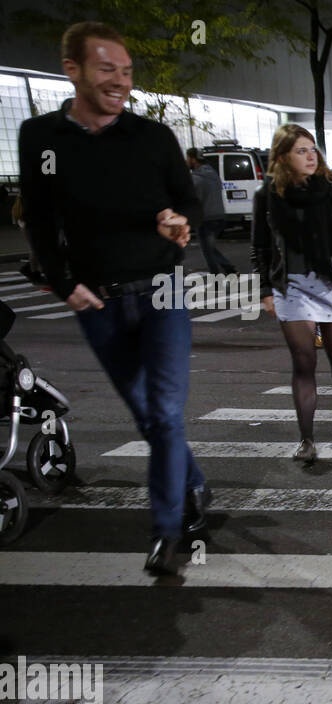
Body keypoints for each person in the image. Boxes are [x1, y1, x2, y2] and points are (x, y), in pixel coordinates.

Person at [19, 21, 209, 575]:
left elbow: (189, 204)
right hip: (98, 302)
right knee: (148, 415)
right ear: (72, 70)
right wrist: (61, 280)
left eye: (127, 72)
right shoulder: (41, 138)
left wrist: (180, 221)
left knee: (167, 412)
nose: (120, 81)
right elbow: (38, 215)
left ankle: (166, 532)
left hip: (163, 290)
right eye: (107, 69)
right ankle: (191, 481)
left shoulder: (152, 137)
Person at [252, 124, 332, 465]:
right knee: (303, 362)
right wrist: (265, 289)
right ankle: (306, 439)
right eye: (301, 151)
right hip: (292, 286)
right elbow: (259, 247)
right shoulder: (268, 194)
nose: (310, 156)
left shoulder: (331, 187)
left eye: (312, 149)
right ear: (283, 156)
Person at [186, 147, 236, 275]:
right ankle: (228, 268)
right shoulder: (213, 174)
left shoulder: (196, 178)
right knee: (210, 248)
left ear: (193, 160)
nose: (186, 161)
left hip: (205, 218)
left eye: (187, 158)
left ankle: (217, 278)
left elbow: (193, 200)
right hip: (219, 216)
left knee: (207, 251)